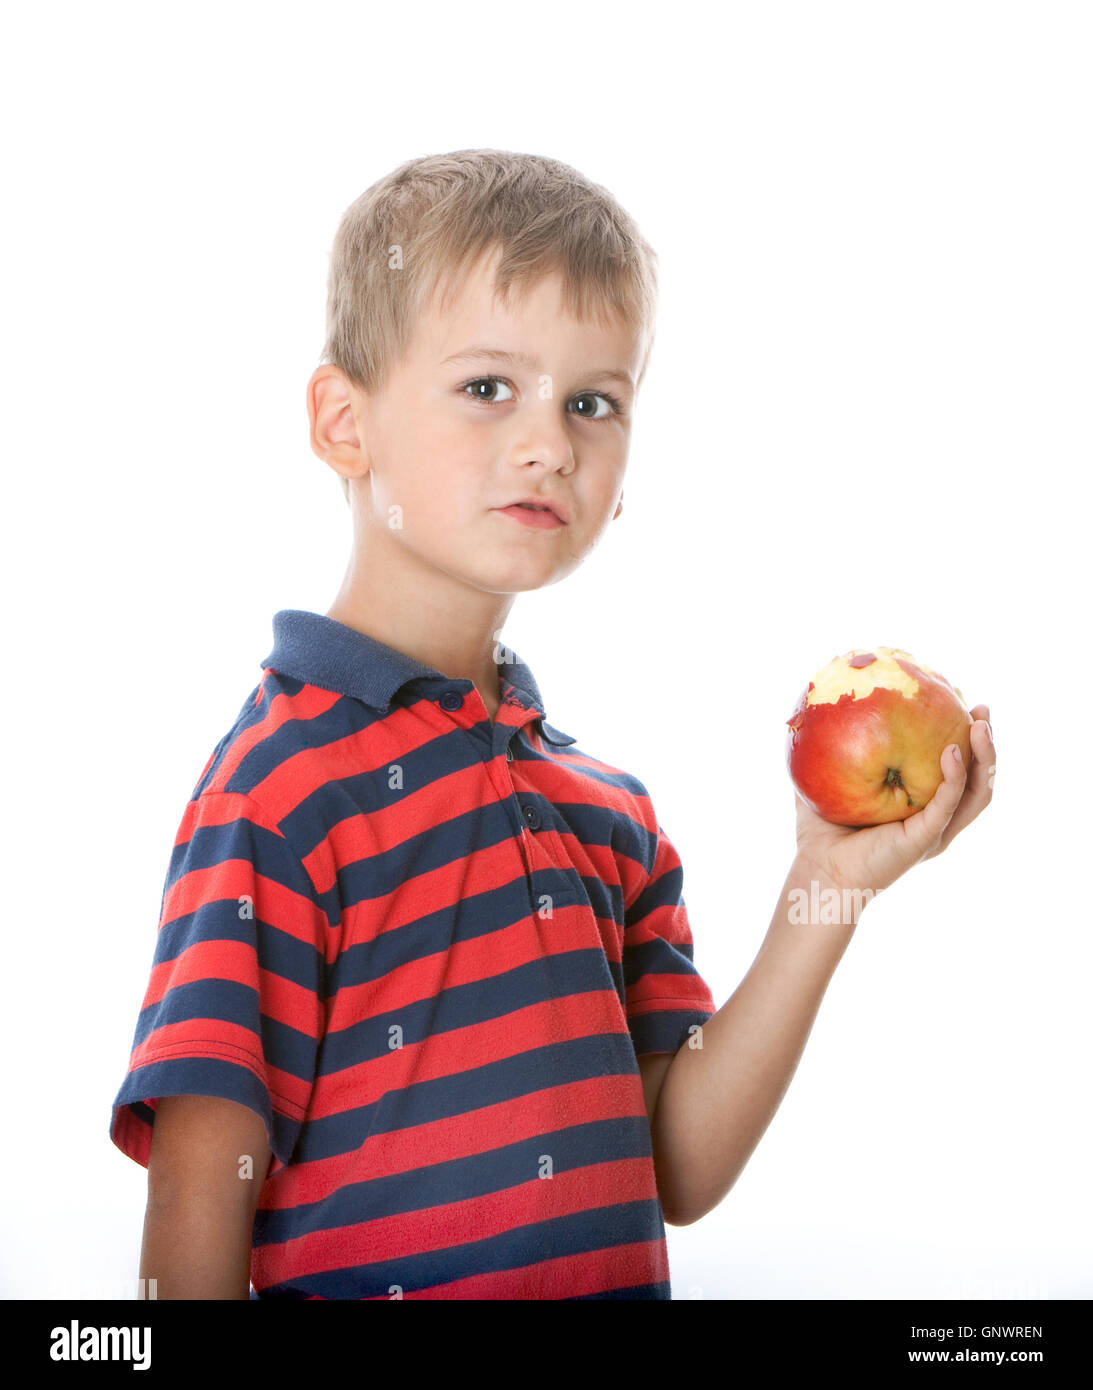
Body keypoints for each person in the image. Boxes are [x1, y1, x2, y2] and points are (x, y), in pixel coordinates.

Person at [109, 149, 996, 1300]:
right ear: (343, 424)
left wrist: (825, 886)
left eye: (593, 402)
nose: (549, 442)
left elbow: (675, 1163)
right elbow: (195, 1189)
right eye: (488, 388)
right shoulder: (279, 787)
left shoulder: (607, 813)